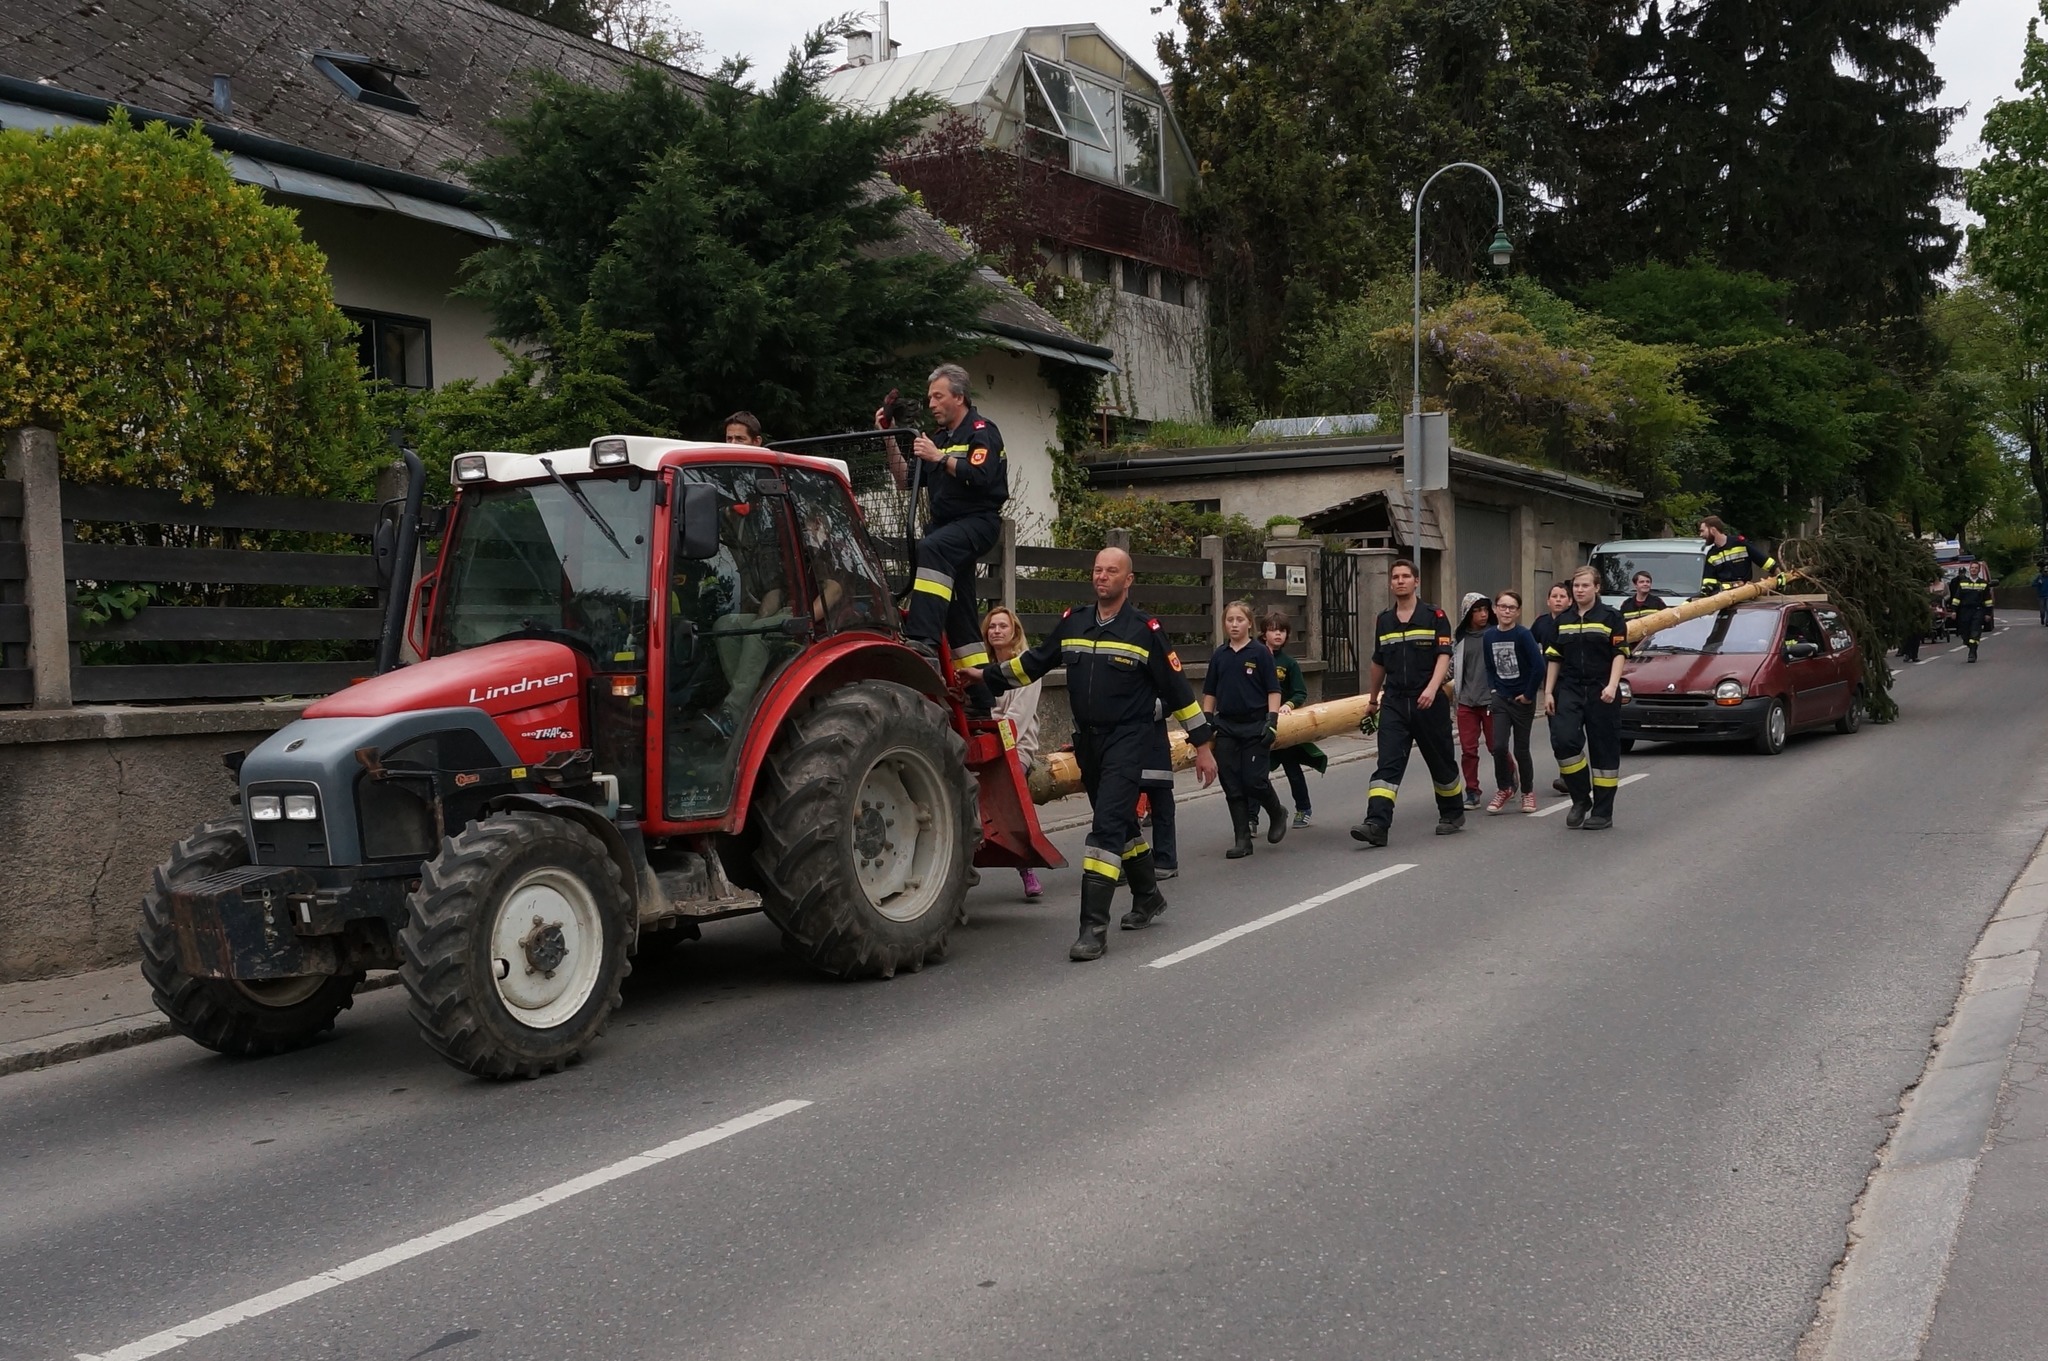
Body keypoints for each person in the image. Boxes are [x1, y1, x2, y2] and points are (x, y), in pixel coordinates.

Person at [969, 547, 1217, 960]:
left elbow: (1179, 693)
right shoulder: (1075, 621)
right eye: (1098, 570)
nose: (1102, 576)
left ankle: (1092, 928)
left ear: (1128, 580)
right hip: (1088, 743)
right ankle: (1148, 896)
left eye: (1111, 571)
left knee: (1104, 829)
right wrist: (985, 676)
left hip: (1129, 741)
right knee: (1121, 823)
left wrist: (1202, 746)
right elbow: (1033, 663)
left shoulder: (1145, 630)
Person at [878, 364, 1007, 709]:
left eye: (938, 396)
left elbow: (981, 476)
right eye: (929, 397)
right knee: (960, 613)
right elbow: (905, 480)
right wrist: (889, 436)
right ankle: (981, 697)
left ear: (959, 397)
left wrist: (939, 458)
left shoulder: (982, 432)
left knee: (931, 548)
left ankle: (923, 643)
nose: (931, 403)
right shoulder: (937, 439)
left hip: (977, 522)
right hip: (946, 527)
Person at [1351, 559, 1463, 847]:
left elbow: (1444, 655)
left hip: (1428, 702)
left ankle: (1452, 813)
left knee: (1440, 762)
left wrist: (1432, 689)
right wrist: (1373, 700)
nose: (1400, 581)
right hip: (1395, 702)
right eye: (1395, 577)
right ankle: (1376, 824)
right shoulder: (1384, 620)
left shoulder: (1435, 616)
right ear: (1391, 583)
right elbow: (1378, 662)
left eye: (1405, 576)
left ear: (1416, 581)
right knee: (1387, 763)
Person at [1542, 565, 1630, 830]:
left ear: (1596, 588)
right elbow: (1554, 657)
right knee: (1563, 741)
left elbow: (1619, 653)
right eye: (1576, 586)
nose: (1579, 590)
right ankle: (1580, 798)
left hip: (1601, 689)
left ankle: (1602, 812)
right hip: (1570, 688)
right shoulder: (1563, 620)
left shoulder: (1611, 617)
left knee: (1604, 752)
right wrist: (1548, 692)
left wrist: (1612, 686)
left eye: (1585, 585)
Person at [1205, 600, 1287, 859]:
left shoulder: (1260, 653)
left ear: (1249, 623)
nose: (1234, 625)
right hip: (1227, 727)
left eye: (1239, 620)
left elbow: (1273, 690)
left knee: (1254, 780)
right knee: (1231, 783)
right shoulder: (1220, 655)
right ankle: (1242, 839)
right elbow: (1210, 692)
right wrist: (1206, 719)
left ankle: (1277, 812)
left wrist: (1272, 721)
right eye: (1229, 620)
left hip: (1255, 726)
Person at [982, 605, 1045, 900]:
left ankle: (1026, 868)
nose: (996, 631)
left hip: (1016, 748)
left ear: (1014, 632)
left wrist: (987, 726)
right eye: (992, 627)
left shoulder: (1026, 669)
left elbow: (1016, 720)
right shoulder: (981, 668)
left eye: (1002, 626)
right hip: (985, 743)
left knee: (1009, 802)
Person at [1261, 610, 1325, 828]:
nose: (1278, 634)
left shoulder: (1289, 663)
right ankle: (1251, 818)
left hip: (1284, 725)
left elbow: (1300, 692)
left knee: (1292, 768)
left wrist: (1288, 705)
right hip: (1260, 725)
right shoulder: (1254, 658)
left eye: (1282, 631)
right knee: (1256, 775)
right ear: (1264, 633)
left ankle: (1303, 808)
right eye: (1273, 630)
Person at [1482, 590, 1543, 813]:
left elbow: (1539, 666)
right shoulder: (1489, 636)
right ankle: (1504, 788)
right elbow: (1489, 666)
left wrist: (1528, 695)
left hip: (1522, 701)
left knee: (1521, 749)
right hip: (1501, 698)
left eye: (1511, 608)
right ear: (1495, 609)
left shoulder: (1523, 635)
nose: (1507, 611)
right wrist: (1493, 688)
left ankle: (1527, 792)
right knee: (1498, 746)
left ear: (1517, 612)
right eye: (1503, 607)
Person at [1451, 593, 1496, 811]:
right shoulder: (1460, 641)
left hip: (1491, 702)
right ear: (1468, 614)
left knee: (1496, 746)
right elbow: (1451, 668)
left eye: (1485, 610)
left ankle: (1508, 778)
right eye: (1477, 610)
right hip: (1467, 702)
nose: (1483, 614)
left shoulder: (1495, 634)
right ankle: (1472, 791)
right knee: (1468, 750)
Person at [1532, 582, 1572, 795]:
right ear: (1548, 601)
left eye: (1562, 596)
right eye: (1554, 596)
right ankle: (1566, 772)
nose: (1558, 600)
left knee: (1569, 731)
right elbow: (1529, 648)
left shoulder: (1574, 621)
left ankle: (1571, 775)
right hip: (1550, 685)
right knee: (1556, 732)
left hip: (1572, 683)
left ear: (1570, 601)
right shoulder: (1541, 623)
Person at [1698, 516, 1776, 595]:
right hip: (1724, 596)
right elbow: (1709, 580)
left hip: (1745, 592)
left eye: (1702, 531)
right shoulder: (1711, 554)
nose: (1701, 535)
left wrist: (1779, 576)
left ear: (1713, 530)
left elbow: (1763, 561)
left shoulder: (1739, 543)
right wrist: (1707, 590)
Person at [1950, 561, 1992, 661]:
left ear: (1978, 570)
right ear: (1970, 570)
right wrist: (1954, 610)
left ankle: (1972, 653)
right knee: (1964, 634)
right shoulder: (1963, 582)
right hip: (1965, 611)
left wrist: (1988, 613)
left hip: (1978, 610)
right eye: (1972, 568)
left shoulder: (1983, 583)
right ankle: (1969, 645)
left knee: (1975, 632)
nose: (1974, 569)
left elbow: (1988, 600)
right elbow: (1957, 598)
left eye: (1976, 568)